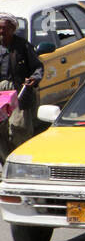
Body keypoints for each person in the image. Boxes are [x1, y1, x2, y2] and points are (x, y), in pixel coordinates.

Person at [0, 13, 43, 159]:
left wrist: (34, 79)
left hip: (17, 92)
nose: (1, 32)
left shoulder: (23, 46)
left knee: (19, 128)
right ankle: (6, 161)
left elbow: (37, 67)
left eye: (4, 29)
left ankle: (22, 158)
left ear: (12, 29)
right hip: (0, 93)